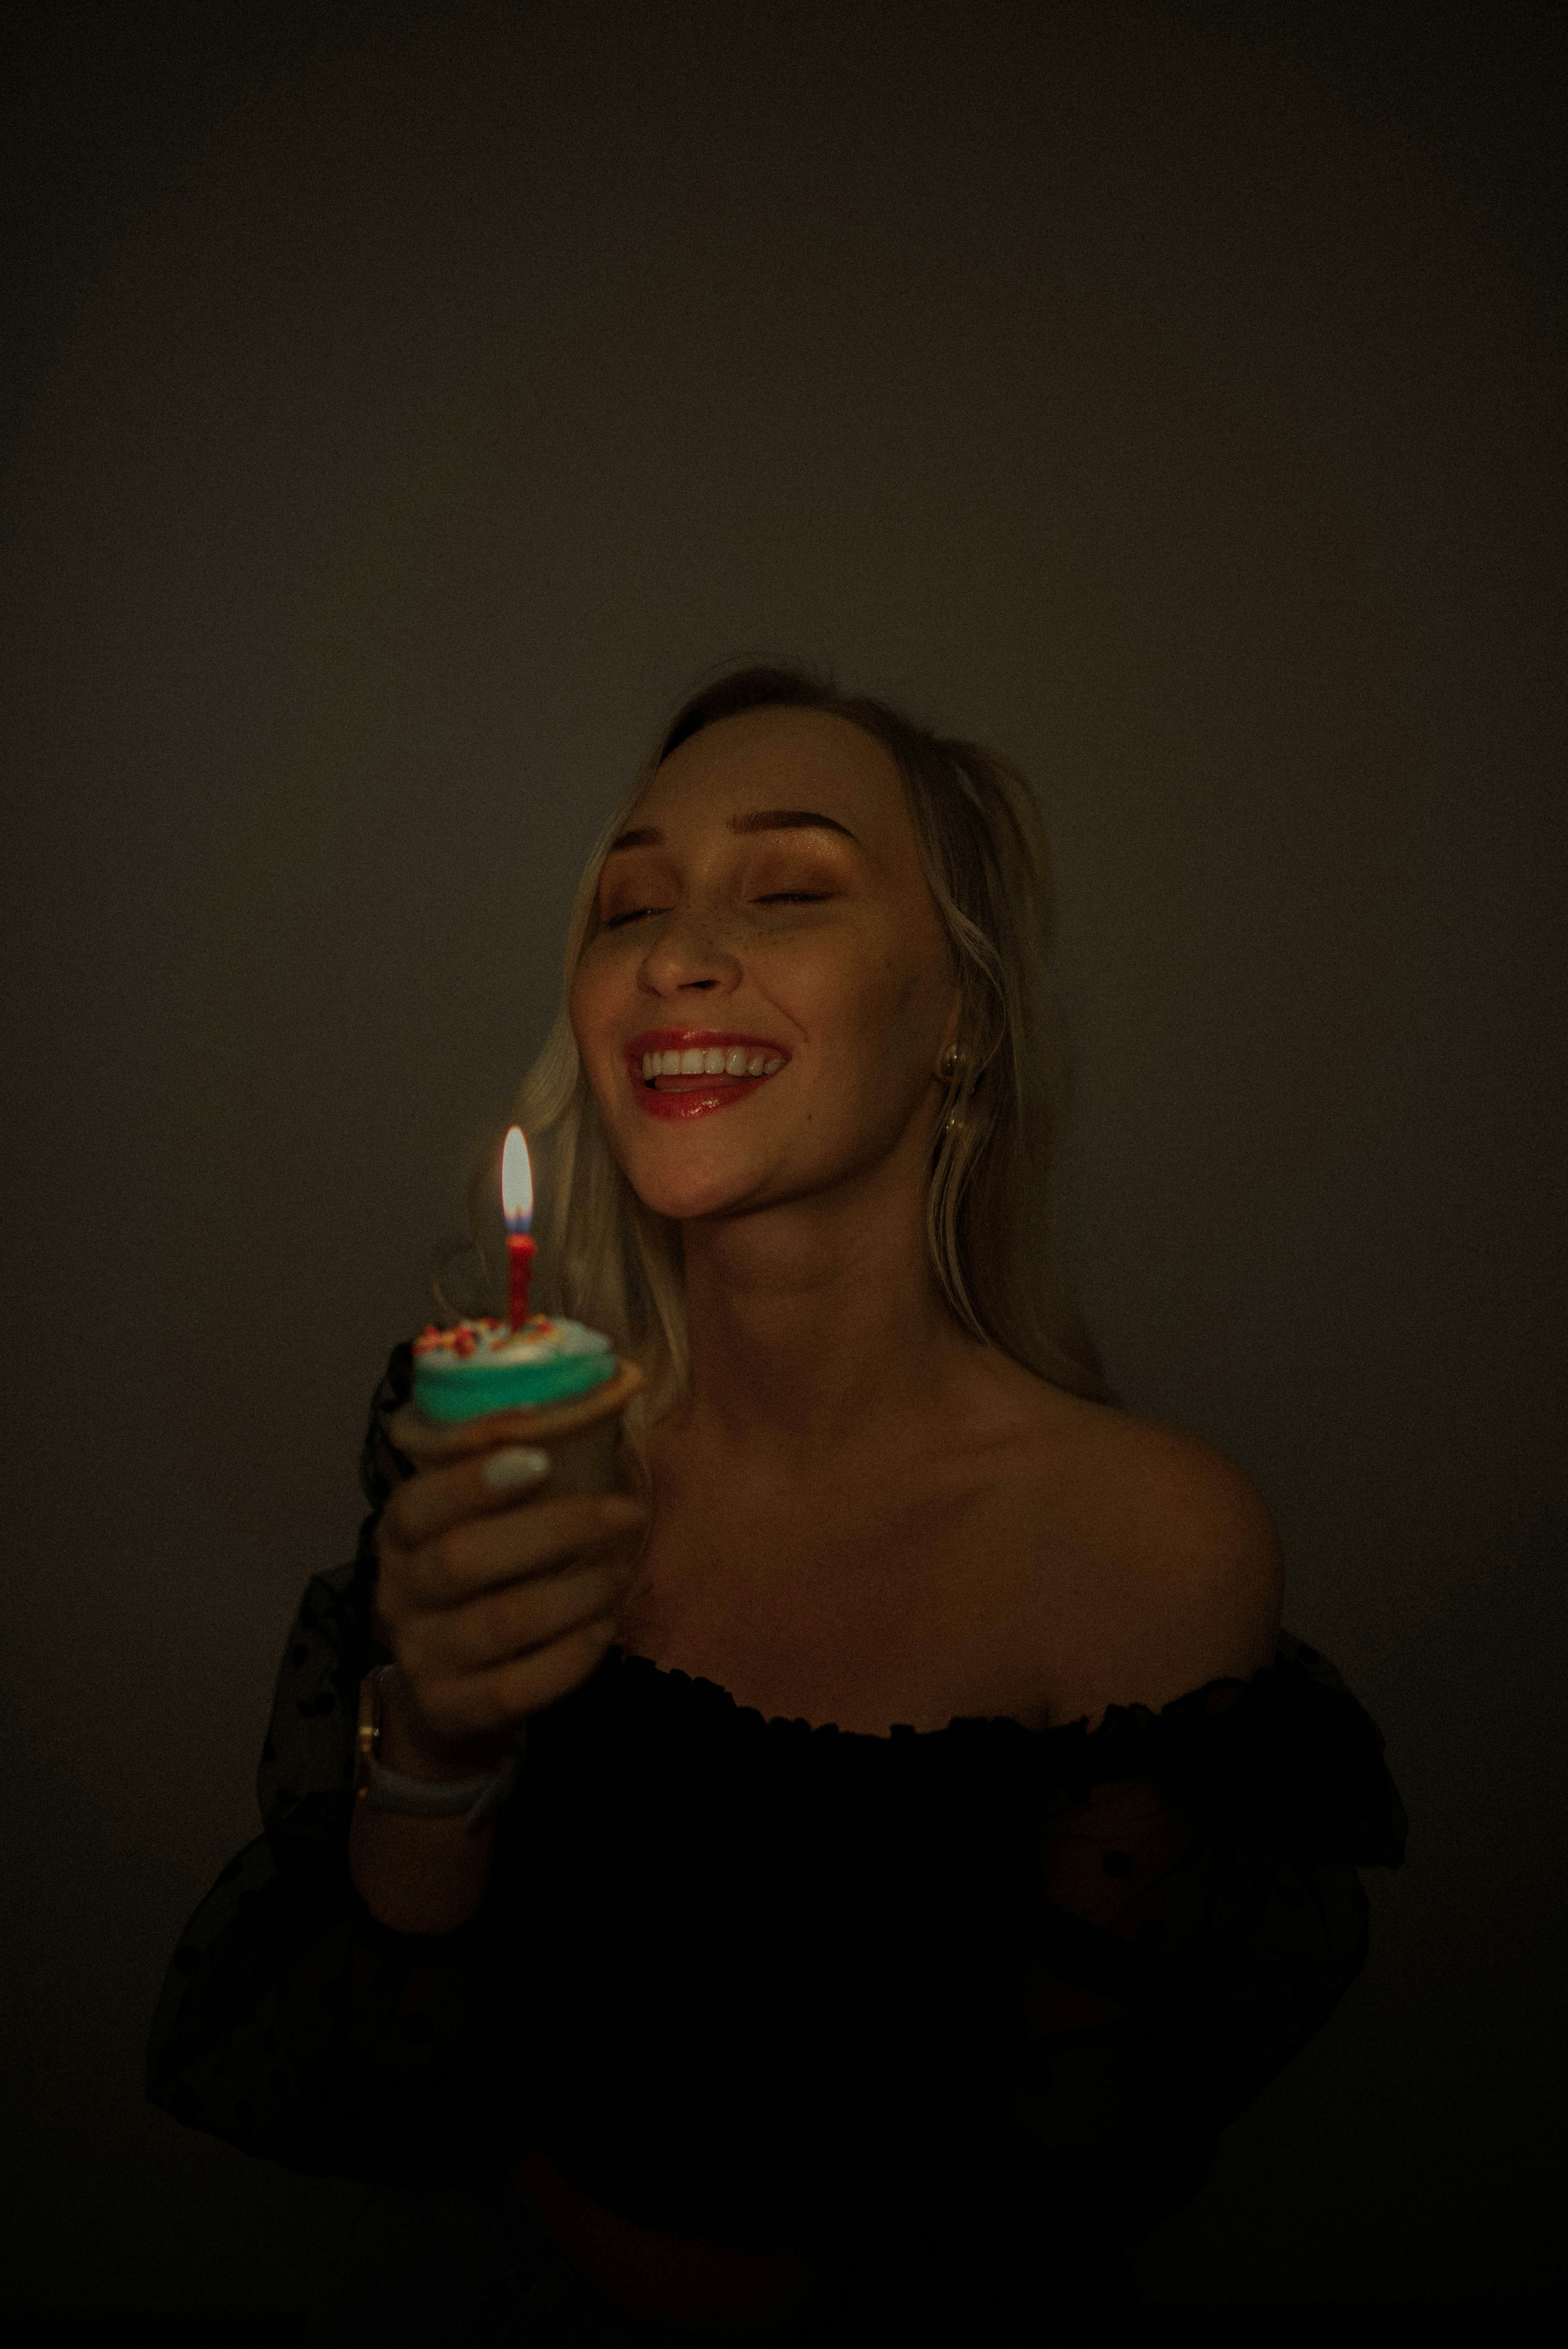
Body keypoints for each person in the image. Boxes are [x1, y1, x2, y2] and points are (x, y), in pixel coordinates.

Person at [147, 667, 1407, 2344]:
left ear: (956, 1014)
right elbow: (394, 2063)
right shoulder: (503, 1442)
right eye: (627, 906)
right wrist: (435, 1750)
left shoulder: (1147, 1546)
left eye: (792, 886)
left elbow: (1049, 2180)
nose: (673, 954)